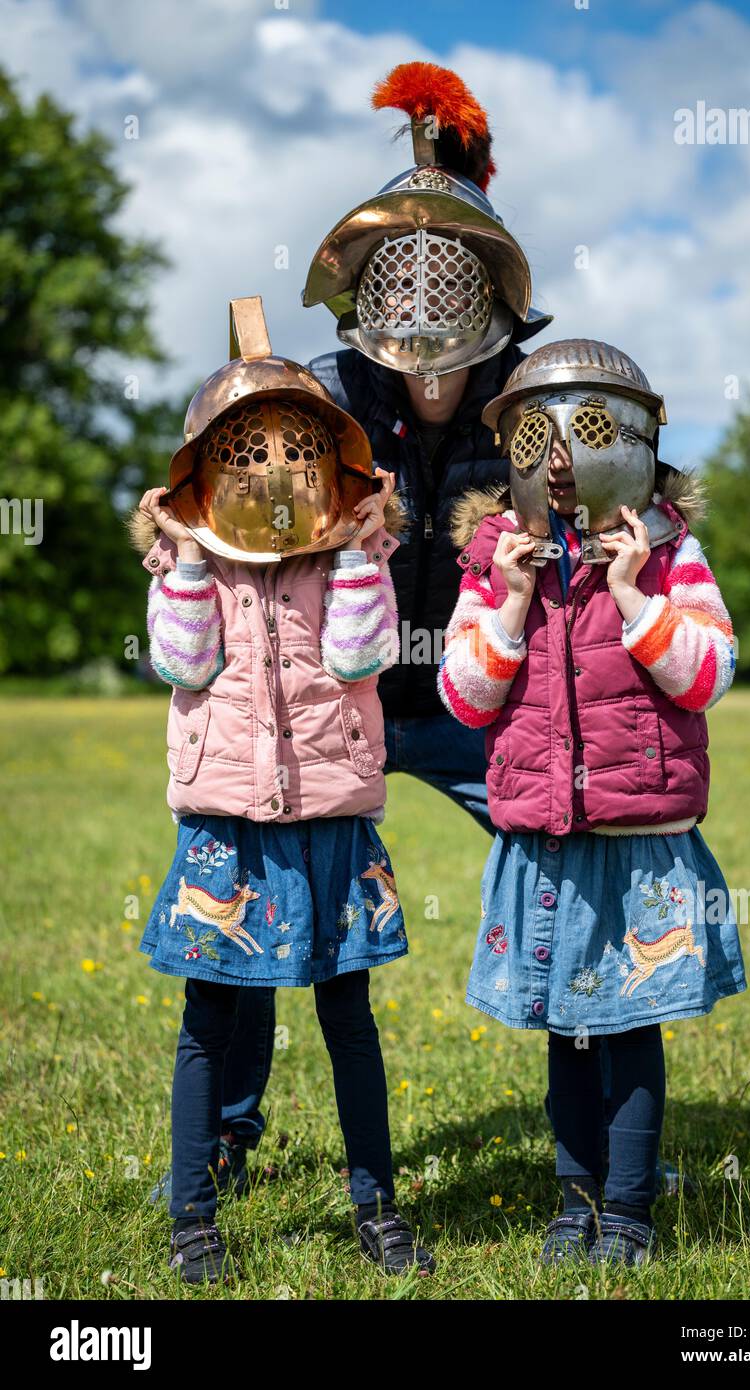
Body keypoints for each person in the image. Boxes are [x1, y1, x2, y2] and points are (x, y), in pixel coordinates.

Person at [173, 62, 552, 1186]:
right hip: (334, 701)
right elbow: (235, 499)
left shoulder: (534, 398)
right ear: (372, 292)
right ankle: (227, 1137)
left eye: (449, 283)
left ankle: (592, 1144)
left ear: (485, 286)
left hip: (484, 698)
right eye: (406, 284)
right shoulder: (322, 398)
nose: (426, 315)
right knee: (242, 891)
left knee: (570, 868)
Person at [131, 298, 434, 1281]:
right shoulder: (194, 565)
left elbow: (357, 654)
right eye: (245, 453)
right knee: (208, 1023)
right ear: (210, 469)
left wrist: (350, 547)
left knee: (347, 1017)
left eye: (292, 451)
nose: (269, 473)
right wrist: (182, 554)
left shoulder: (352, 560)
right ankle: (192, 1215)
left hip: (331, 826)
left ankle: (375, 1207)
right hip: (227, 830)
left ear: (325, 461)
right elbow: (181, 666)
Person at [438, 338, 747, 1266]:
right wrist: (509, 604)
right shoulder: (498, 557)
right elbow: (463, 695)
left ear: (639, 440)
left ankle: (632, 1209)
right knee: (566, 1030)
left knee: (630, 1027)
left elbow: (710, 674)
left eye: (589, 431)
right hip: (545, 841)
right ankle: (575, 1206)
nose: (561, 460)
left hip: (639, 837)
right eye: (539, 436)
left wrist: (633, 595)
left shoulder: (668, 552)